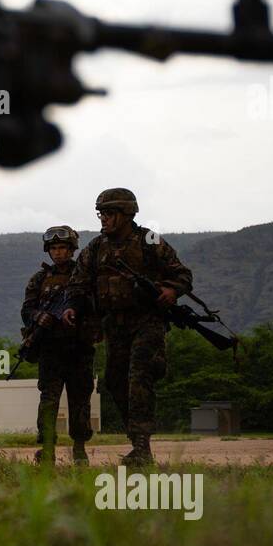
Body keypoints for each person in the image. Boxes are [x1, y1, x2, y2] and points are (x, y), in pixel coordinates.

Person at [64, 189, 191, 466]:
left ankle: (142, 446)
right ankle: (137, 443)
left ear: (126, 214)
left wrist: (171, 290)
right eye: (101, 213)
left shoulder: (149, 240)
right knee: (114, 381)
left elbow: (182, 274)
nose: (104, 219)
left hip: (147, 322)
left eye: (109, 214)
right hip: (114, 326)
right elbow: (78, 282)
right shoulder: (96, 248)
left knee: (139, 377)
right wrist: (72, 305)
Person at [20, 226, 97, 466]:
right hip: (50, 348)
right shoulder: (40, 279)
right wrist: (37, 317)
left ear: (72, 249)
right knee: (49, 400)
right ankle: (47, 449)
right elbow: (26, 309)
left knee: (80, 400)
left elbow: (97, 306)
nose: (59, 253)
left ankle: (79, 449)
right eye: (54, 248)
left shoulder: (84, 276)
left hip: (79, 348)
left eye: (63, 247)